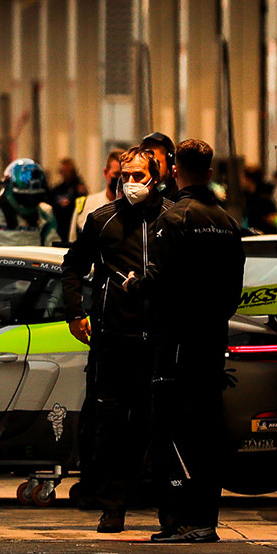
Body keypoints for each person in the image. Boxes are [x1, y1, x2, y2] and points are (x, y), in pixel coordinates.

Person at [123, 139, 244, 542]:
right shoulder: (228, 223)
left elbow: (158, 281)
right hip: (212, 342)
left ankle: (180, 519)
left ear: (174, 171)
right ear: (209, 173)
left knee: (172, 431)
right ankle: (206, 519)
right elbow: (233, 291)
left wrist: (133, 284)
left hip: (175, 343)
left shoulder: (172, 219)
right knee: (207, 430)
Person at [59, 145, 164, 533]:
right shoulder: (102, 220)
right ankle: (112, 505)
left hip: (160, 339)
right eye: (125, 176)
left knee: (157, 423)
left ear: (156, 177)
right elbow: (72, 267)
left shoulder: (172, 218)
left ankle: (163, 504)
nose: (131, 183)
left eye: (139, 176)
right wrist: (75, 312)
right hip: (114, 339)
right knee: (111, 425)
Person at [0, 158, 62, 246]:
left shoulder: (45, 212)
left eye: (34, 196)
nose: (30, 201)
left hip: (34, 254)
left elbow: (52, 243)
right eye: (24, 196)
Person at [73, 150, 123, 241]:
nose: (121, 179)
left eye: (124, 175)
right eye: (117, 174)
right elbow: (72, 239)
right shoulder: (86, 204)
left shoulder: (133, 206)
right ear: (106, 172)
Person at [50, 157, 88, 232]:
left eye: (66, 171)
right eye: (63, 171)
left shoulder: (79, 188)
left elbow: (82, 206)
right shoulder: (57, 189)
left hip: (73, 223)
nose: (64, 174)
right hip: (59, 225)